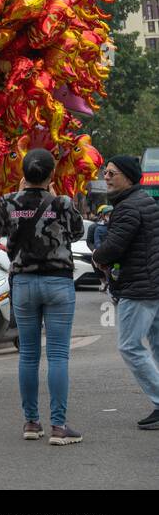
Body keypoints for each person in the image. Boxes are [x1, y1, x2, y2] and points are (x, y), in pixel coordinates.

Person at [0, 148, 85, 444]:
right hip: (58, 282)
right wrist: (52, 197)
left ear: (23, 174)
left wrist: (18, 202)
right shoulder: (62, 202)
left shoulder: (7, 202)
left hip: (24, 283)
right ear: (51, 175)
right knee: (58, 355)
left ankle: (31, 423)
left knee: (28, 356)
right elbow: (78, 232)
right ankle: (58, 427)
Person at [92, 154, 159, 432]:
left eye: (111, 173)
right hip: (152, 284)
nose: (106, 177)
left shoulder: (129, 207)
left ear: (128, 177)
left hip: (139, 286)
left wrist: (97, 256)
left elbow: (114, 247)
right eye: (105, 172)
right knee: (155, 344)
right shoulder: (145, 202)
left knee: (129, 346)